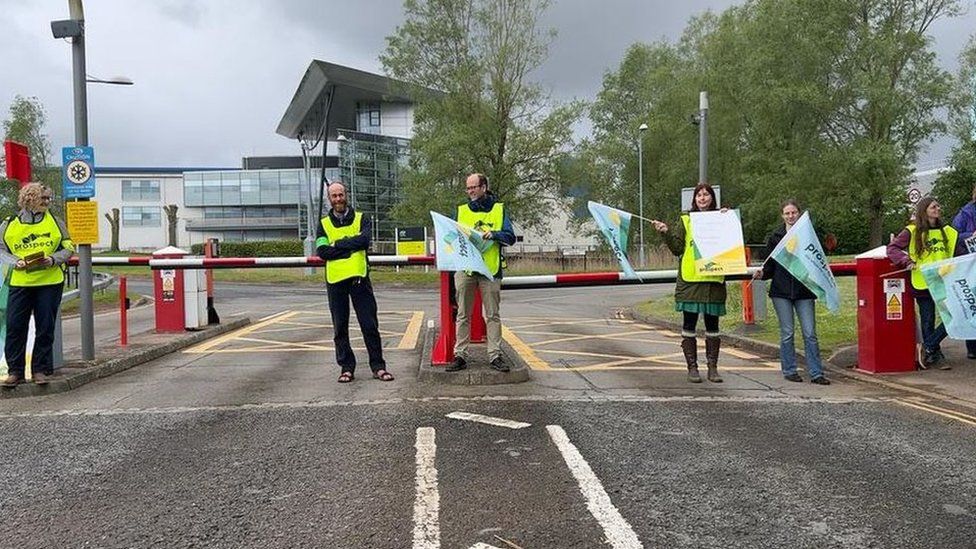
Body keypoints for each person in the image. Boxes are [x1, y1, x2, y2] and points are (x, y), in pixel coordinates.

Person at [315, 181, 393, 383]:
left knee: (369, 325)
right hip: (335, 281)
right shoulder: (323, 224)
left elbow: (365, 241)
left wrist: (338, 244)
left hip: (359, 279)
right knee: (340, 327)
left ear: (346, 195)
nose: (338, 199)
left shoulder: (361, 218)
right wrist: (351, 246)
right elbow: (323, 252)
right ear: (329, 199)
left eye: (341, 195)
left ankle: (378, 366)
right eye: (334, 196)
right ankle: (346, 367)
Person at [1, 183, 74, 387]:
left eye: (48, 198)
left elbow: (68, 247)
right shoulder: (10, 223)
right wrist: (15, 261)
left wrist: (52, 259)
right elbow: (1, 249)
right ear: (29, 198)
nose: (47, 202)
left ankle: (40, 369)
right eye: (43, 198)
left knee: (45, 327)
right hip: (20, 282)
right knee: (15, 326)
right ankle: (15, 371)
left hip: (49, 282)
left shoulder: (55, 222)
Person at [651, 182, 726, 383]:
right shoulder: (686, 221)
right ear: (694, 199)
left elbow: (731, 241)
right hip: (690, 281)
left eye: (706, 195)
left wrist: (728, 219)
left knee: (712, 326)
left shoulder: (721, 218)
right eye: (699, 195)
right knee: (689, 325)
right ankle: (692, 367)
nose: (702, 198)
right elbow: (677, 249)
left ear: (712, 198)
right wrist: (665, 232)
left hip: (713, 280)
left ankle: (713, 368)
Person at [752, 199, 830, 385]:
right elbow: (770, 266)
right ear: (782, 216)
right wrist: (762, 274)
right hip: (781, 291)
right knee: (787, 332)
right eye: (787, 213)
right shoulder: (776, 237)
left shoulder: (809, 235)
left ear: (799, 213)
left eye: (793, 212)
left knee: (810, 333)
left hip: (804, 290)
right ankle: (789, 369)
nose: (790, 216)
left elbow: (818, 259)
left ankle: (816, 372)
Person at [446, 173, 516, 373]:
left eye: (473, 187)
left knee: (493, 315)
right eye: (468, 188)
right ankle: (460, 355)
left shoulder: (499, 209)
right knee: (462, 314)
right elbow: (450, 235)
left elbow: (510, 237)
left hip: (490, 270)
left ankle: (495, 355)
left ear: (484, 187)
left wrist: (494, 235)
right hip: (466, 268)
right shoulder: (460, 211)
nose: (470, 192)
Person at [887, 197, 966, 369]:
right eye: (933, 207)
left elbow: (960, 254)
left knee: (955, 316)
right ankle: (934, 355)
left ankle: (928, 346)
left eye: (938, 206)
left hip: (944, 281)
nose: (937, 209)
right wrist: (906, 261)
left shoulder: (949, 232)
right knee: (928, 319)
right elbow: (892, 248)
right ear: (924, 210)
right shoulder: (912, 231)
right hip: (922, 281)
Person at [950, 188, 976, 359]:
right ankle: (972, 347)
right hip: (970, 264)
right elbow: (954, 235)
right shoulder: (966, 212)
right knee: (972, 304)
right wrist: (971, 235)